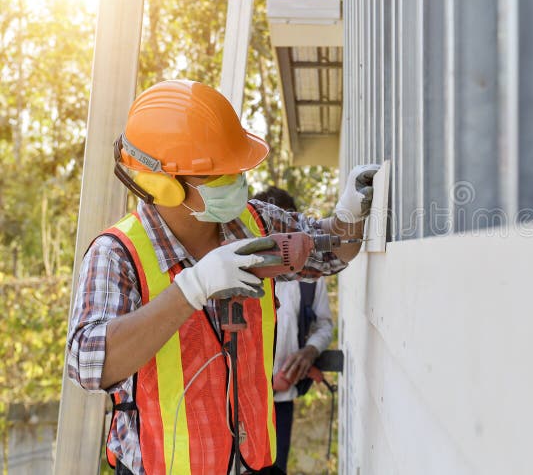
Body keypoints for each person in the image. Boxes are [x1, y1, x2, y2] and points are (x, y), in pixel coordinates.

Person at [65, 80, 378, 475]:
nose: (237, 179)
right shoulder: (118, 254)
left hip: (253, 464)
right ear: (163, 185)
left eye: (237, 168)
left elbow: (333, 255)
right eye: (218, 174)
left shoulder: (255, 222)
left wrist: (349, 216)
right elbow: (88, 365)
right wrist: (192, 289)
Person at [252, 186, 333, 473]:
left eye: (283, 228)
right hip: (240, 405)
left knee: (275, 468)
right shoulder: (238, 271)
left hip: (281, 403)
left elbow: (324, 324)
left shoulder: (310, 276)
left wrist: (310, 351)